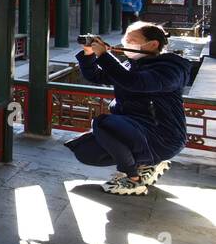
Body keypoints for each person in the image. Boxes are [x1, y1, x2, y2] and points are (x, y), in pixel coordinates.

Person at [65, 22, 190, 195]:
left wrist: (104, 56)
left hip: (162, 135)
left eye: (132, 40)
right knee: (85, 151)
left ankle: (132, 177)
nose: (126, 43)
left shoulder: (171, 69)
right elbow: (96, 75)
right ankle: (146, 164)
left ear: (153, 44)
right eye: (126, 39)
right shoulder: (131, 65)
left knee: (102, 123)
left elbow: (135, 82)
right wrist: (89, 55)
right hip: (136, 129)